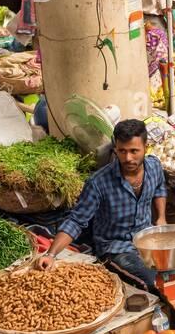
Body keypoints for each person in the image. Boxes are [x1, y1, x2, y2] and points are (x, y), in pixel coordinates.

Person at [41, 119, 167, 293]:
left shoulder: (154, 167)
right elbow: (76, 220)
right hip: (116, 249)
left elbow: (160, 188)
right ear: (115, 148)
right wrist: (50, 254)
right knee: (154, 283)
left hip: (147, 240)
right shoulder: (98, 183)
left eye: (134, 151)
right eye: (122, 151)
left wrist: (161, 217)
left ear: (146, 147)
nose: (128, 158)